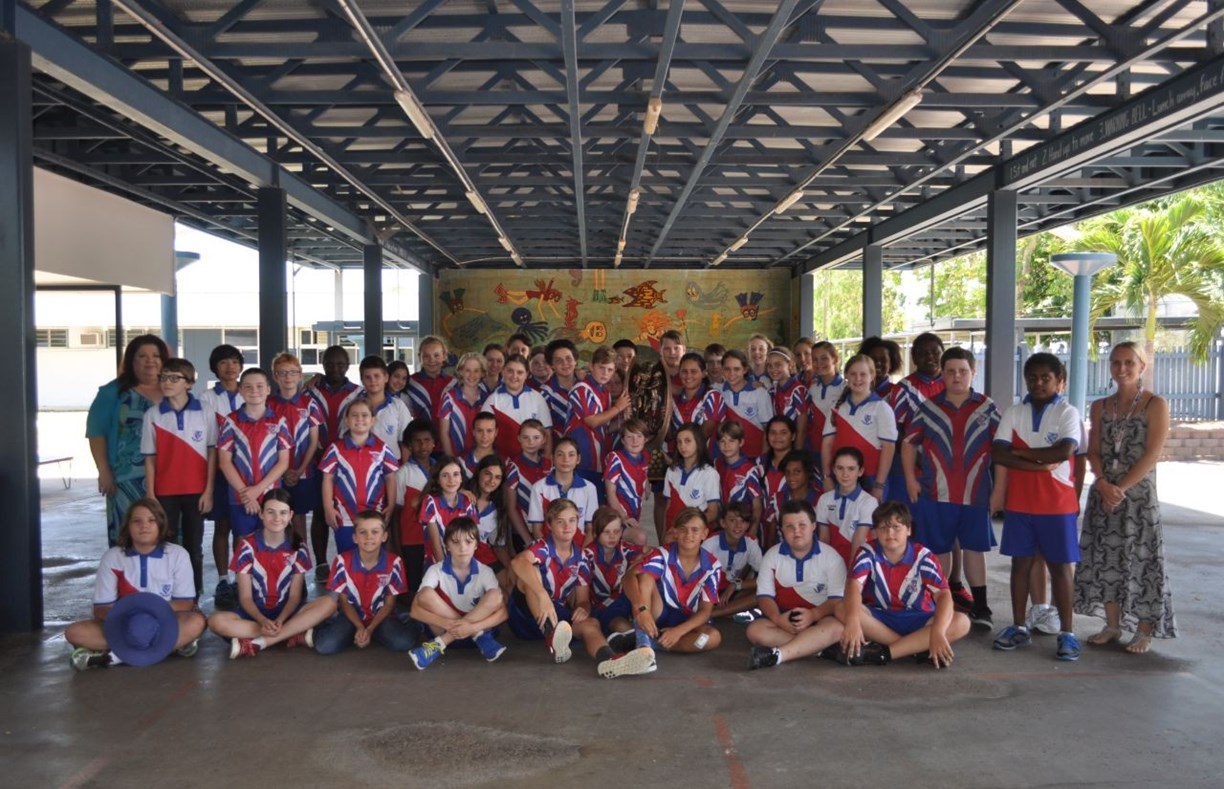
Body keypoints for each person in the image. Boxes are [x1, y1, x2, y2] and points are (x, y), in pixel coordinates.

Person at [1075, 341, 1176, 653]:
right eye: (1116, 363)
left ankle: (1144, 630)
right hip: (1104, 494)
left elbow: (1152, 454)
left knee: (1142, 561)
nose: (1121, 369)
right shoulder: (1100, 407)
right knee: (1106, 559)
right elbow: (1092, 450)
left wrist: (1121, 489)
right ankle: (1112, 625)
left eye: (1129, 363)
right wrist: (1103, 483)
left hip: (1138, 499)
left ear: (1141, 366)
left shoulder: (1154, 404)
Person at [991, 353, 1084, 661]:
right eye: (1032, 377)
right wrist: (1038, 465)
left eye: (1046, 377)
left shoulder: (1068, 412)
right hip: (1020, 502)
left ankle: (1068, 634)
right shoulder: (1014, 412)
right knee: (1020, 566)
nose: (1038, 382)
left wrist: (1020, 452)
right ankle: (1019, 626)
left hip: (1057, 503)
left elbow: (1065, 449)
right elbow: (998, 454)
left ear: (1060, 381)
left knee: (1060, 567)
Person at [901, 347, 1000, 629]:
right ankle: (935, 605)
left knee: (974, 550)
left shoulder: (987, 407)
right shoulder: (928, 407)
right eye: (951, 371)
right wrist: (910, 478)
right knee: (938, 550)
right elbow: (907, 443)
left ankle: (981, 607)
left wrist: (999, 490)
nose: (957, 376)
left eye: (963, 371)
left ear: (973, 372)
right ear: (942, 374)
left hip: (976, 494)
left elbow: (1002, 451)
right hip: (935, 494)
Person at [510, 500, 657, 678]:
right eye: (560, 522)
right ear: (548, 524)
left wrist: (583, 609)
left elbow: (583, 600)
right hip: (525, 618)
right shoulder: (543, 547)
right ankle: (551, 635)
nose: (567, 526)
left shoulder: (580, 558)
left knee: (591, 624)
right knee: (531, 571)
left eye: (572, 520)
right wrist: (542, 596)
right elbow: (518, 561)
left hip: (557, 619)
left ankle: (609, 662)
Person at [66, 499, 206, 670]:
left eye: (151, 520)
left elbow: (185, 603)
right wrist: (132, 621)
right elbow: (101, 608)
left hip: (164, 622)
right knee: (74, 632)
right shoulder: (112, 557)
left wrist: (149, 617)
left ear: (161, 524)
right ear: (127, 526)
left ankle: (114, 656)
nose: (144, 526)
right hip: (123, 625)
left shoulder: (178, 554)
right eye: (136, 521)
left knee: (197, 622)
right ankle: (168, 647)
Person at [832, 501, 970, 668]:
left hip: (920, 618)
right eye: (883, 528)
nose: (890, 533)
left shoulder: (924, 557)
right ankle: (914, 648)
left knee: (962, 622)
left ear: (909, 529)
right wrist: (853, 621)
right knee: (842, 608)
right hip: (883, 617)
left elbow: (944, 596)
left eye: (896, 527)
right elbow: (854, 586)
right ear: (875, 532)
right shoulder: (867, 551)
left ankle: (885, 653)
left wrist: (938, 631)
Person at [207, 490, 336, 658]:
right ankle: (292, 633)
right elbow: (245, 597)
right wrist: (262, 621)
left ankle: (260, 642)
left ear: (290, 515)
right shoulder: (247, 547)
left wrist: (281, 620)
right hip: (254, 617)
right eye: (270, 512)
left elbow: (295, 596)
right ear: (261, 513)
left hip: (288, 614)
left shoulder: (299, 547)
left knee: (330, 603)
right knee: (215, 622)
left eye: (283, 513)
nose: (277, 518)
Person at [216, 368, 292, 603]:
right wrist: (246, 494)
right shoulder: (231, 421)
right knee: (243, 540)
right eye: (247, 386)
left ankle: (275, 587)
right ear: (240, 390)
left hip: (272, 496)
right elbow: (224, 461)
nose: (254, 391)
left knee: (275, 538)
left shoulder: (278, 421)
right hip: (240, 496)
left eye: (260, 386)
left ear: (269, 390)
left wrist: (259, 490)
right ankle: (244, 588)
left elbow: (284, 462)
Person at [141, 357, 215, 595]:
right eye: (164, 377)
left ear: (189, 383)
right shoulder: (152, 415)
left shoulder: (205, 411)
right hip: (164, 492)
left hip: (197, 491)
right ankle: (168, 593)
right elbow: (150, 457)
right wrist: (151, 493)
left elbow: (213, 452)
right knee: (166, 546)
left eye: (174, 378)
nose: (167, 382)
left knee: (194, 547)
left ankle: (194, 595)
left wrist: (209, 490)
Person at [87, 334, 169, 547]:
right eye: (142, 356)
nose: (150, 361)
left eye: (155, 356)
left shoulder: (174, 390)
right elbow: (96, 432)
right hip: (124, 478)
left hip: (168, 476)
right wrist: (103, 471)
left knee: (167, 532)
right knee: (128, 532)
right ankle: (127, 579)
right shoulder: (112, 392)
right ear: (131, 361)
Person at [746, 500, 845, 669]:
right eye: (789, 527)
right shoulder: (772, 555)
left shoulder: (831, 557)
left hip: (820, 619)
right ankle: (821, 649)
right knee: (754, 630)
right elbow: (764, 596)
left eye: (802, 525)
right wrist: (778, 619)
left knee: (837, 628)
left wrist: (813, 615)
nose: (796, 532)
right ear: (782, 530)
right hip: (785, 621)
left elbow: (836, 600)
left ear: (814, 525)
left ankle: (779, 655)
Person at [409, 517, 511, 669]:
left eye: (468, 542)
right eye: (456, 542)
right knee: (425, 594)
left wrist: (471, 628)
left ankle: (438, 645)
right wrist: (452, 625)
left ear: (476, 544)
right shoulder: (436, 569)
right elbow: (414, 611)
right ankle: (476, 637)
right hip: (452, 631)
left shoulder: (485, 571)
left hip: (475, 633)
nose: (462, 548)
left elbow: (503, 614)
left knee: (495, 595)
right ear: (447, 545)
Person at [314, 511, 415, 654]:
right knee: (325, 646)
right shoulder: (342, 561)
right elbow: (343, 602)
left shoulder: (394, 562)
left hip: (380, 617)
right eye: (362, 532)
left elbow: (389, 604)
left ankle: (375, 632)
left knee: (404, 642)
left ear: (384, 536)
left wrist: (370, 628)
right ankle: (319, 630)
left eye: (375, 532)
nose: (369, 537)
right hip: (350, 616)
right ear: (355, 537)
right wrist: (360, 627)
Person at [630, 507, 723, 656]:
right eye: (683, 529)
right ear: (675, 532)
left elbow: (706, 611)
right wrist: (641, 609)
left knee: (711, 638)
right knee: (645, 577)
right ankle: (642, 641)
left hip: (687, 621)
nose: (688, 535)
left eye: (695, 530)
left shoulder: (712, 566)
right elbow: (629, 578)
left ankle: (655, 643)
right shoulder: (662, 554)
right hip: (658, 613)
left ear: (705, 533)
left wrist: (678, 632)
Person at [307, 345, 360, 581]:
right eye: (330, 364)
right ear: (323, 364)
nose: (335, 368)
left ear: (348, 366)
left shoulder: (358, 393)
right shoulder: (311, 391)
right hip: (317, 460)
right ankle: (321, 563)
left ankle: (352, 560)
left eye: (340, 364)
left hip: (348, 463)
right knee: (320, 512)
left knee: (347, 512)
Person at [319, 398, 399, 556]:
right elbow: (327, 479)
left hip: (375, 515)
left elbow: (391, 477)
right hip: (345, 517)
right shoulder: (335, 449)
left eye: (364, 415)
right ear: (347, 420)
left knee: (374, 557)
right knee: (347, 557)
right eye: (354, 416)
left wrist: (391, 504)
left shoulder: (382, 448)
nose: (360, 419)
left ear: (373, 420)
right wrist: (328, 507)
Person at [199, 343, 245, 599]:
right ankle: (222, 579)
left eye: (235, 362)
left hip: (247, 470)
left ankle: (241, 578)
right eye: (224, 362)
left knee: (242, 528)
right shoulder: (206, 399)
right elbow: (207, 438)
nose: (230, 367)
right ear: (215, 367)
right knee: (222, 526)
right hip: (218, 470)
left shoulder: (249, 392)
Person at [821, 354, 897, 501]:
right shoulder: (836, 406)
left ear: (872, 375)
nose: (858, 379)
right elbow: (827, 444)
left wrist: (879, 484)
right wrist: (826, 476)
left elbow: (889, 447)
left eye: (863, 374)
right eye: (853, 374)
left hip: (871, 480)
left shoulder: (881, 408)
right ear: (846, 376)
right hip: (840, 478)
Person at [268, 352, 323, 554]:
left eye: (292, 372)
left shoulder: (309, 404)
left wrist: (299, 470)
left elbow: (313, 441)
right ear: (275, 376)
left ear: (300, 375)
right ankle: (280, 559)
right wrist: (281, 471)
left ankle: (301, 559)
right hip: (275, 473)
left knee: (298, 516)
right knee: (275, 516)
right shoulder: (268, 405)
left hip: (304, 471)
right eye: (282, 373)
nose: (288, 377)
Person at [566, 346, 630, 496]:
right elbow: (592, 421)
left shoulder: (604, 392)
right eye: (601, 368)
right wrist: (618, 408)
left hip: (597, 460)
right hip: (580, 459)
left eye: (610, 370)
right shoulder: (581, 388)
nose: (605, 373)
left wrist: (623, 421)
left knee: (596, 509)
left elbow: (604, 428)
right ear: (591, 366)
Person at [583, 506, 645, 649]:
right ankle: (640, 643)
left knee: (645, 574)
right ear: (595, 533)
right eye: (606, 532)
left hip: (624, 600)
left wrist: (640, 560)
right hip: (601, 606)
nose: (612, 537)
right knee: (620, 624)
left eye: (616, 532)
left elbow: (651, 552)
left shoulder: (625, 548)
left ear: (622, 532)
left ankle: (635, 637)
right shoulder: (586, 556)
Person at [392, 419, 437, 599]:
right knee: (413, 585)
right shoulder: (402, 473)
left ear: (434, 443)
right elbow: (395, 514)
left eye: (427, 440)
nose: (422, 445)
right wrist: (397, 546)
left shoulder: (441, 469)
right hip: (411, 540)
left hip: (435, 539)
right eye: (417, 441)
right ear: (409, 446)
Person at [527, 438, 599, 545]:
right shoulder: (539, 487)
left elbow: (590, 529)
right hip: (549, 549)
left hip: (580, 548)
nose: (566, 460)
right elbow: (537, 529)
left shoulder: (589, 488)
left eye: (571, 455)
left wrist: (581, 555)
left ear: (578, 459)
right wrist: (551, 554)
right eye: (560, 454)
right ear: (553, 458)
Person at [343, 355, 414, 460]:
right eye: (368, 377)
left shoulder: (398, 406)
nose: (373, 381)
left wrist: (403, 469)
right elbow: (344, 439)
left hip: (391, 466)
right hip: (361, 465)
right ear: (362, 380)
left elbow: (405, 443)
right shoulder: (351, 406)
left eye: (377, 376)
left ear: (386, 377)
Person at [482, 355, 553, 459]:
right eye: (510, 371)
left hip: (533, 460)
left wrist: (547, 461)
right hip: (503, 461)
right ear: (502, 372)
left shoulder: (537, 398)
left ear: (527, 374)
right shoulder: (492, 400)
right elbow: (485, 435)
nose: (514, 376)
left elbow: (547, 433)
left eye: (520, 372)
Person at [816, 446, 878, 567]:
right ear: (833, 470)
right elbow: (823, 539)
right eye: (840, 468)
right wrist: (826, 567)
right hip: (832, 563)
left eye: (851, 469)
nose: (845, 474)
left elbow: (859, 540)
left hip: (858, 563)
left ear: (860, 471)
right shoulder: (824, 499)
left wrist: (852, 572)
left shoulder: (869, 501)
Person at [704, 502, 763, 619]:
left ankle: (711, 615)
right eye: (732, 520)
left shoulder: (751, 543)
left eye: (743, 521)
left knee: (762, 594)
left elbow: (766, 578)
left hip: (733, 590)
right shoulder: (710, 544)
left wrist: (736, 585)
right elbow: (698, 578)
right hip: (709, 592)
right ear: (723, 523)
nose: (738, 526)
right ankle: (727, 612)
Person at [661, 423, 721, 541]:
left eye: (687, 441)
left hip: (694, 535)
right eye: (679, 442)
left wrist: (688, 527)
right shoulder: (671, 471)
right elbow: (667, 507)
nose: (683, 446)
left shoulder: (709, 473)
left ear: (698, 442)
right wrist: (663, 533)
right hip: (672, 532)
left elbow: (713, 512)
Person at [418, 455, 478, 565]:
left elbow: (472, 538)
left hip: (464, 563)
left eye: (456, 474)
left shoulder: (467, 501)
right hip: (438, 565)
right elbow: (436, 544)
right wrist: (445, 572)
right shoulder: (430, 502)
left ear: (461, 478)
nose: (451, 480)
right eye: (445, 475)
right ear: (438, 480)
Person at [603, 417, 652, 546]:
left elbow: (642, 471)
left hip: (634, 514)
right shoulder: (616, 459)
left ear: (645, 439)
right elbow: (610, 493)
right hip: (615, 516)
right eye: (630, 437)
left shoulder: (645, 455)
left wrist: (646, 483)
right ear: (623, 440)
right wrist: (623, 517)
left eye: (639, 436)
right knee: (640, 538)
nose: (635, 440)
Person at [505, 419, 552, 548]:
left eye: (536, 437)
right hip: (523, 532)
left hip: (549, 529)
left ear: (544, 440)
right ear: (519, 438)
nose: (531, 442)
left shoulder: (550, 465)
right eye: (526, 437)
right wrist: (528, 540)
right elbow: (511, 507)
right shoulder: (513, 467)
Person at [720, 349, 774, 459]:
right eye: (727, 369)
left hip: (755, 456)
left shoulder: (760, 393)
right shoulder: (718, 392)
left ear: (745, 369)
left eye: (736, 369)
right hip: (728, 457)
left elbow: (768, 430)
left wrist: (763, 459)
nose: (731, 374)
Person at [804, 341, 845, 483]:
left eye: (824, 358)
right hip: (813, 449)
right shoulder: (812, 387)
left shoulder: (845, 388)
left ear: (834, 359)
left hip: (836, 451)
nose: (818, 363)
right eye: (814, 359)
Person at [714, 420, 763, 536]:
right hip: (723, 525)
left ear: (741, 443)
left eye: (731, 441)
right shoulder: (716, 464)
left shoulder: (749, 470)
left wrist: (753, 529)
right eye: (722, 441)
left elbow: (757, 505)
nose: (726, 446)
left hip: (743, 527)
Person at [439, 351, 487, 457]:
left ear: (482, 373)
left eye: (476, 371)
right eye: (467, 370)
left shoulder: (487, 399)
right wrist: (452, 460)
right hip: (455, 458)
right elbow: (444, 432)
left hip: (481, 459)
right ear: (460, 372)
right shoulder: (449, 397)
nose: (472, 375)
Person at [766, 348, 809, 448]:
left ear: (790, 365)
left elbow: (801, 429)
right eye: (769, 366)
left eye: (778, 364)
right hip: (780, 445)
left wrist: (796, 455)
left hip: (797, 446)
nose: (773, 369)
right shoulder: (772, 391)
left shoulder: (798, 390)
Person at [405, 335, 453, 423]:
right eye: (426, 356)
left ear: (444, 356)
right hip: (420, 434)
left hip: (448, 434)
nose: (432, 360)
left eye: (436, 355)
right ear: (419, 357)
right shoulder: (410, 382)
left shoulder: (453, 383)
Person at [541, 339, 580, 441]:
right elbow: (544, 428)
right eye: (559, 361)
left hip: (588, 445)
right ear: (551, 365)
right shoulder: (545, 393)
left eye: (569, 359)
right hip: (558, 448)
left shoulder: (585, 386)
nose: (565, 363)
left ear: (575, 360)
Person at [457, 412, 499, 478]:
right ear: (473, 432)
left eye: (489, 431)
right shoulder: (461, 462)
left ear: (496, 432)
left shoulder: (505, 462)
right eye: (480, 430)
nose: (484, 436)